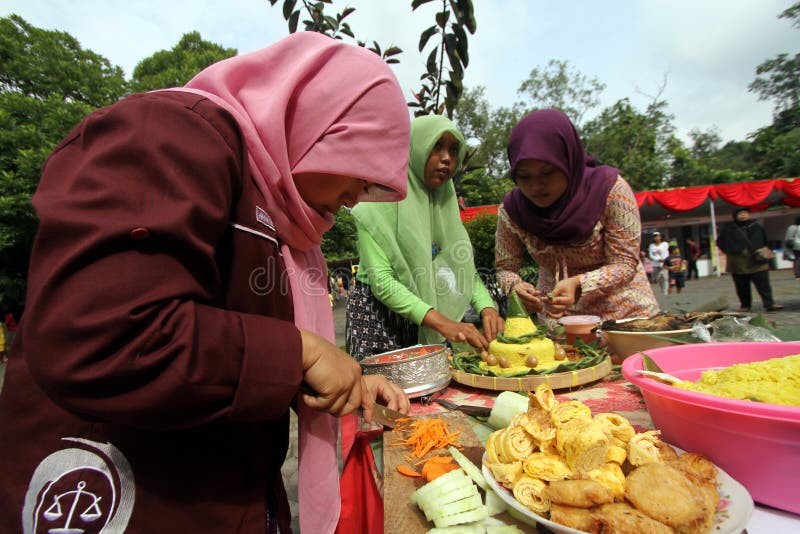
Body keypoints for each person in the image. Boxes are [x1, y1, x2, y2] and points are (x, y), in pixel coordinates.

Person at [0, 32, 413, 533]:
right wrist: (298, 353)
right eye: (359, 173)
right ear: (319, 124)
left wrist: (343, 379)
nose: (354, 199)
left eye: (371, 187)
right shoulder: (169, 135)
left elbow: (229, 344)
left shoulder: (278, 218)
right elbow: (101, 335)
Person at [346, 115, 504, 361]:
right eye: (436, 146)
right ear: (415, 148)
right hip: (378, 318)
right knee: (383, 386)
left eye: (454, 150)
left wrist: (487, 307)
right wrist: (444, 323)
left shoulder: (444, 203)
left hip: (425, 314)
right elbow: (383, 282)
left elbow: (461, 266)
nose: (447, 158)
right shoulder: (375, 205)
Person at [494, 109, 660, 326]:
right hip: (559, 317)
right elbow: (505, 268)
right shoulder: (513, 211)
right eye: (524, 176)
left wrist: (580, 283)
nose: (536, 186)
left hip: (625, 315)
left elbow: (625, 263)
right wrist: (515, 286)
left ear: (567, 162)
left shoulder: (610, 191)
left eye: (547, 172)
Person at [716, 207, 783, 312]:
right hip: (738, 262)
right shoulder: (729, 229)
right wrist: (732, 251)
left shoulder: (756, 226)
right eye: (740, 214)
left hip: (757, 260)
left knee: (763, 284)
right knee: (742, 286)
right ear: (735, 216)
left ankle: (769, 304)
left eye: (745, 213)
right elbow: (720, 242)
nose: (743, 215)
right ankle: (745, 305)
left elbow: (764, 239)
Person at [784, 215, 800, 279]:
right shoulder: (796, 227)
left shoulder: (791, 227)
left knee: (796, 260)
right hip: (796, 246)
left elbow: (788, 238)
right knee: (797, 260)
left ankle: (797, 274)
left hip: (794, 246)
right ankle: (798, 273)